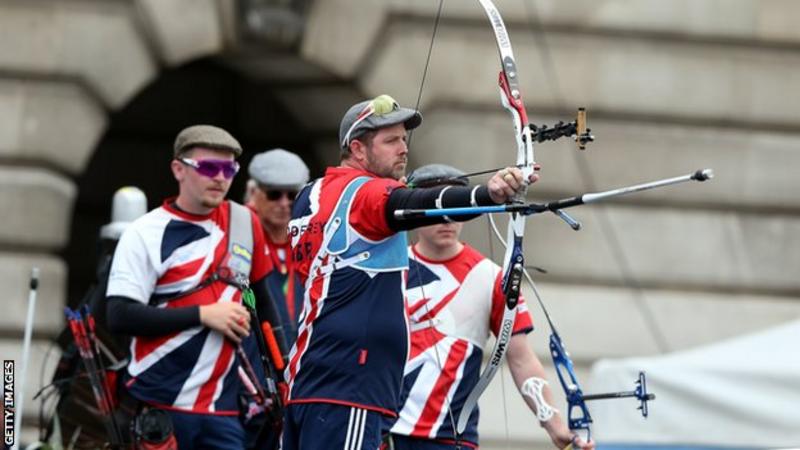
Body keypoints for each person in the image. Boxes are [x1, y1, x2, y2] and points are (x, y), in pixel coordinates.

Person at [282, 94, 538, 450]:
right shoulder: (365, 194)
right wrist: (487, 194)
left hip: (309, 383)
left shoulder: (312, 194)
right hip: (350, 387)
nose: (403, 149)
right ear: (357, 148)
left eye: (404, 139)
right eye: (391, 141)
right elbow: (412, 204)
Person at [387, 164, 595, 450]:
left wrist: (555, 425)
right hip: (384, 431)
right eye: (438, 205)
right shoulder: (389, 270)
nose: (447, 218)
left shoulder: (492, 277)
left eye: (455, 205)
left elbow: (521, 358)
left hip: (450, 437)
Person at [105, 125, 282, 450]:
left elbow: (263, 306)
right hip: (159, 404)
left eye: (229, 169)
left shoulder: (245, 222)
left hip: (223, 410)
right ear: (178, 169)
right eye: (209, 168)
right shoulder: (145, 231)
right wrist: (202, 315)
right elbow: (119, 315)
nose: (220, 178)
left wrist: (284, 371)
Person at [245, 149, 309, 345]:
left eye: (292, 195)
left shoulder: (311, 237)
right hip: (257, 351)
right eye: (274, 195)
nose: (284, 203)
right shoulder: (238, 234)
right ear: (253, 194)